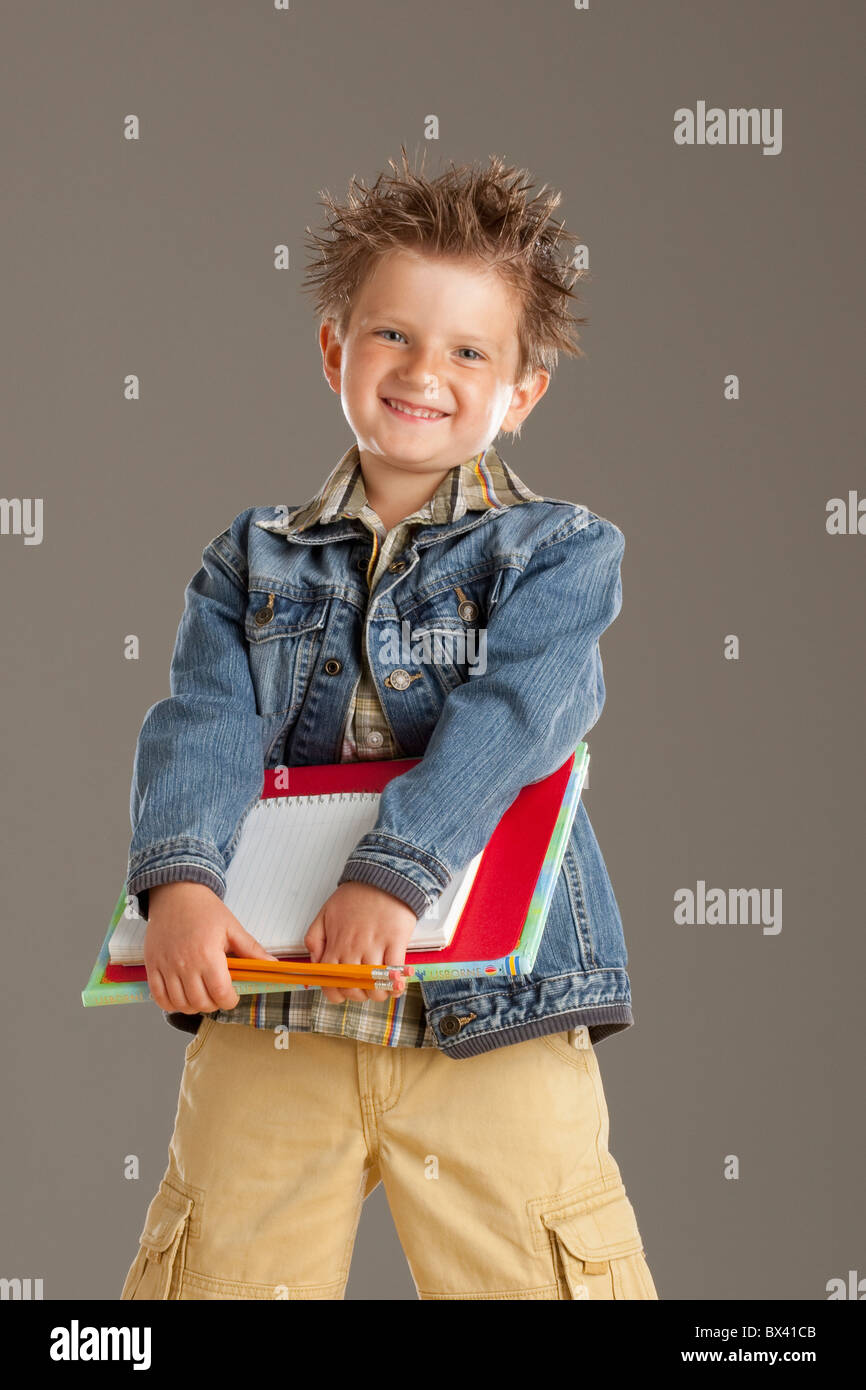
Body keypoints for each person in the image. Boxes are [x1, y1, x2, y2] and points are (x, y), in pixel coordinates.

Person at [120, 147, 658, 1300]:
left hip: (491, 1021)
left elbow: (517, 716)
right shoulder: (246, 557)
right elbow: (201, 720)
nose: (425, 371)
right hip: (279, 1011)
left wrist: (393, 870)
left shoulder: (561, 552)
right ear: (334, 350)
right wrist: (178, 881)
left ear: (521, 390)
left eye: (469, 350)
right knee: (210, 1278)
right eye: (392, 336)